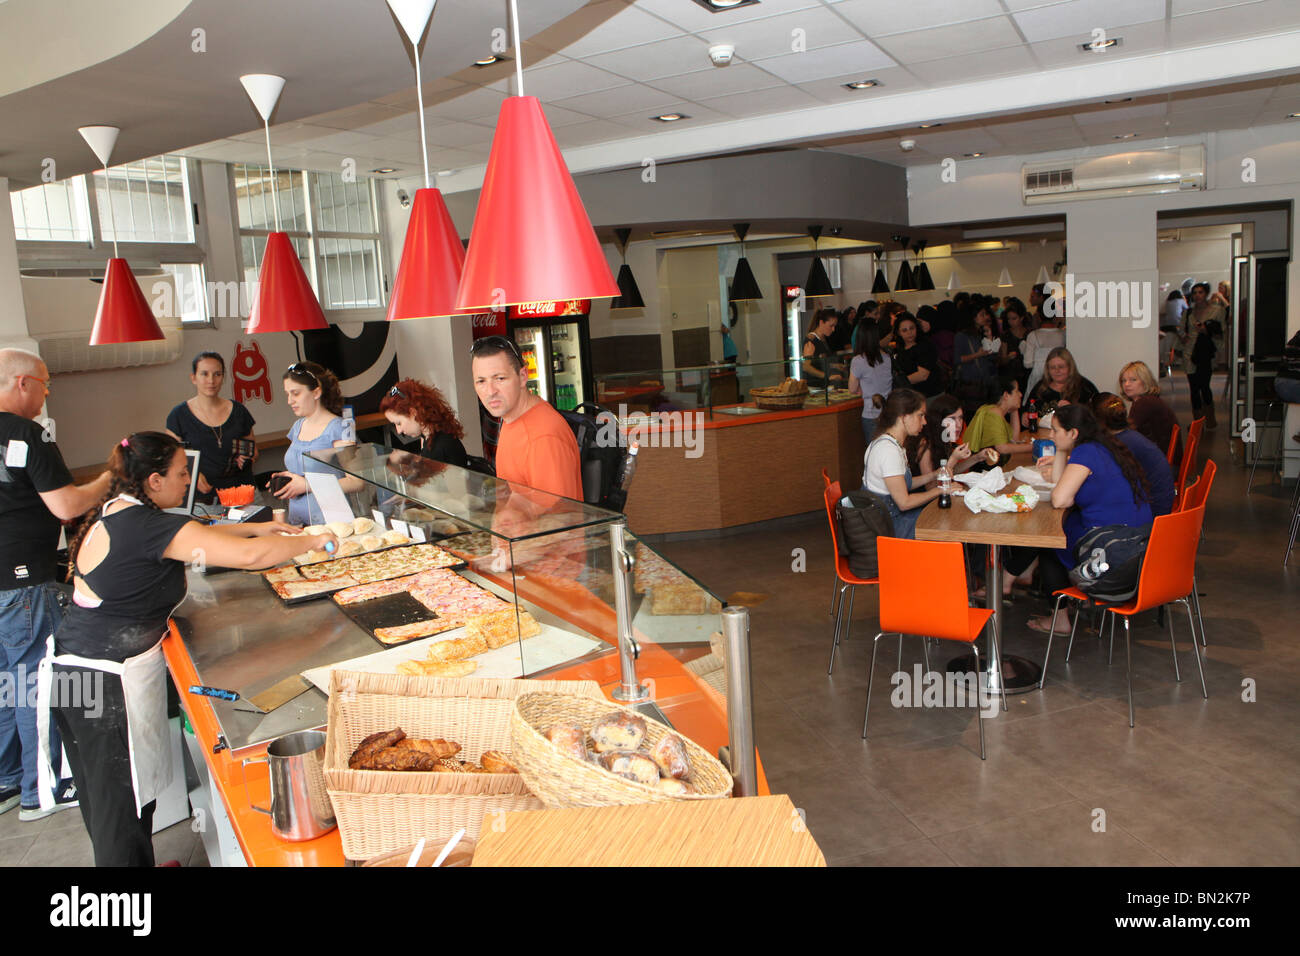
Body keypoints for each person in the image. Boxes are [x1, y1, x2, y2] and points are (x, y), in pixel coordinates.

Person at [48, 431, 337, 866]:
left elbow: (194, 532)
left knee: (109, 798)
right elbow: (252, 558)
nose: (188, 481)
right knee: (117, 814)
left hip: (74, 671)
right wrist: (313, 541)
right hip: (105, 684)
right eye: (181, 473)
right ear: (154, 481)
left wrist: (257, 526)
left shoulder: (120, 511)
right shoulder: (146, 527)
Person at [0, 349, 111, 822]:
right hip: (27, 580)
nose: (47, 393)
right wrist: (109, 480)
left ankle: (8, 777)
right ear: (22, 382)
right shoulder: (27, 432)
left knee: (7, 681)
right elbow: (66, 506)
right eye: (45, 384)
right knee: (35, 682)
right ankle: (40, 788)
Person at [1010, 404, 1152, 635]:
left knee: (1051, 543)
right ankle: (1023, 577)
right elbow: (1060, 483)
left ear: (1074, 433)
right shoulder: (1102, 447)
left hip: (1115, 552)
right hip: (1141, 544)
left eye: (1055, 431)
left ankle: (1060, 619)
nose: (1050, 435)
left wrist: (1061, 453)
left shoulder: (1087, 452)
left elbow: (1060, 499)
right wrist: (1061, 450)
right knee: (1067, 526)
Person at [471, 336, 582, 500]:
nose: (490, 391)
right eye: (481, 381)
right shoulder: (510, 419)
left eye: (500, 378)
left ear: (523, 376)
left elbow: (559, 518)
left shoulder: (543, 437)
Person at [164, 351, 257, 501]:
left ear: (223, 377)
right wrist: (192, 473)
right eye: (204, 374)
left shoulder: (239, 411)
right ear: (193, 378)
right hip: (202, 499)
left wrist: (247, 457)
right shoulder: (178, 415)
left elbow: (253, 451)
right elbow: (172, 458)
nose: (211, 380)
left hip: (241, 493)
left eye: (217, 374)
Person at [272, 362, 355, 526]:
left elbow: (356, 482)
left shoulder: (344, 426)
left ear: (316, 392)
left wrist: (308, 485)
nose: (290, 401)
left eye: (295, 393)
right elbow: (299, 470)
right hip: (298, 521)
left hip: (332, 523)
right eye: (287, 394)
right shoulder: (297, 426)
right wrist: (284, 480)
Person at [862, 389, 946, 538]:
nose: (925, 421)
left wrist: (934, 475)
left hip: (885, 520)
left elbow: (902, 484)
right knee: (942, 522)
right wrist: (941, 490)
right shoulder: (888, 451)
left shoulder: (888, 443)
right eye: (920, 415)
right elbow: (904, 502)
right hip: (889, 528)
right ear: (904, 417)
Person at [1094, 393, 1175, 517]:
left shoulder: (1121, 444)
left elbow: (1105, 482)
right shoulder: (1130, 436)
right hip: (1160, 500)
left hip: (1154, 510)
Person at [379, 379, 468, 468]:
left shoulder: (437, 449)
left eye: (399, 423)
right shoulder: (431, 436)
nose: (398, 431)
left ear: (413, 413)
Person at [909, 394, 996, 486]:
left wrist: (977, 458)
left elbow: (951, 471)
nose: (959, 425)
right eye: (952, 419)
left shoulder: (944, 437)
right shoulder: (925, 443)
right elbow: (931, 486)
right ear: (939, 420)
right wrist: (954, 458)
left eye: (960, 418)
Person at [1118, 360, 1181, 469]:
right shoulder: (1149, 400)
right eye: (1124, 381)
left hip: (1162, 467)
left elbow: (1126, 434)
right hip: (1168, 461)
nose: (1127, 384)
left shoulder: (1144, 403)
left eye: (1133, 380)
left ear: (1145, 381)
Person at [964, 378, 1034, 457]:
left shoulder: (994, 410)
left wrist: (1014, 409)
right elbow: (1002, 448)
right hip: (978, 464)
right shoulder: (993, 412)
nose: (1020, 394)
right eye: (1017, 391)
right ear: (1006, 395)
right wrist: (1034, 447)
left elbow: (1014, 440)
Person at [848, 324, 893, 444]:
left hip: (871, 412)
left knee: (874, 453)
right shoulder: (887, 357)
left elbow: (852, 389)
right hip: (888, 411)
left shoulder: (858, 360)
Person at [952, 305, 999, 409]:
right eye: (982, 315)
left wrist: (990, 338)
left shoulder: (981, 333)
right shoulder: (962, 336)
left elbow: (992, 356)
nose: (985, 317)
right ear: (973, 318)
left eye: (985, 314)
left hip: (985, 380)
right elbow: (957, 359)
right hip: (971, 381)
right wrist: (977, 355)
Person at [1027, 347, 1098, 412]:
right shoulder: (1041, 387)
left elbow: (1096, 416)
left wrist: (1073, 410)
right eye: (1052, 367)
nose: (1057, 371)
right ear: (1047, 370)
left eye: (1061, 367)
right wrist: (1024, 415)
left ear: (1070, 367)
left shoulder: (1085, 387)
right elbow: (1027, 408)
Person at [891, 314, 943, 397]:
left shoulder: (925, 345)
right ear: (898, 333)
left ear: (916, 328)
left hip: (931, 395)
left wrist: (899, 383)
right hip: (912, 396)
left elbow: (923, 375)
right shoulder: (898, 349)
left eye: (912, 328)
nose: (909, 332)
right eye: (904, 330)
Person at [1022, 305, 1065, 396]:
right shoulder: (1063, 334)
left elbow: (1027, 364)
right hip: (1059, 374)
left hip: (1039, 375)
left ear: (1038, 316)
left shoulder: (1033, 335)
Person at [801, 309, 840, 385]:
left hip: (823, 386)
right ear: (821, 322)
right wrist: (827, 376)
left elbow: (818, 362)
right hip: (814, 386)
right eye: (831, 326)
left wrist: (834, 366)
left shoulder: (823, 339)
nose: (833, 329)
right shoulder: (811, 340)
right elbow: (806, 367)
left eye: (834, 326)